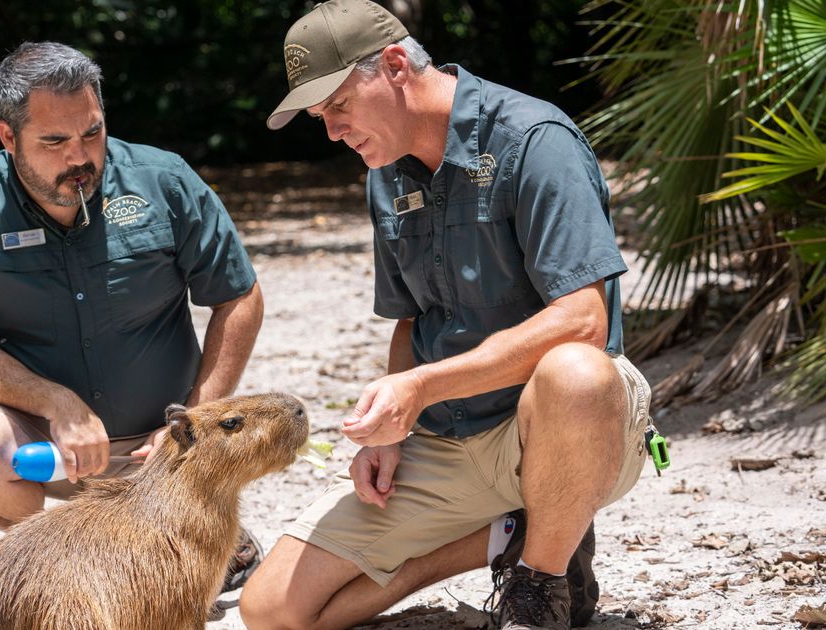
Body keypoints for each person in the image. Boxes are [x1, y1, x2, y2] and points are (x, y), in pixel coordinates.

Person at [240, 1, 653, 629]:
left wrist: (421, 387)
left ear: (396, 64)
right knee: (271, 613)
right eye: (320, 116)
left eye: (339, 106)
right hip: (448, 438)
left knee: (576, 370)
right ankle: (505, 538)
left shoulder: (535, 139)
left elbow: (583, 321)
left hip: (563, 430)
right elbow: (410, 319)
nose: (331, 132)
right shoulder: (383, 169)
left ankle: (539, 590)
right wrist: (394, 433)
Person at [0, 41, 266, 591]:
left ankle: (212, 538)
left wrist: (193, 420)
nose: (80, 157)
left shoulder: (163, 179)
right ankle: (65, 556)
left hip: (165, 446)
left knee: (163, 593)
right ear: (9, 138)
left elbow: (240, 296)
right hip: (48, 449)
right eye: (54, 141)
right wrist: (56, 403)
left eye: (92, 133)